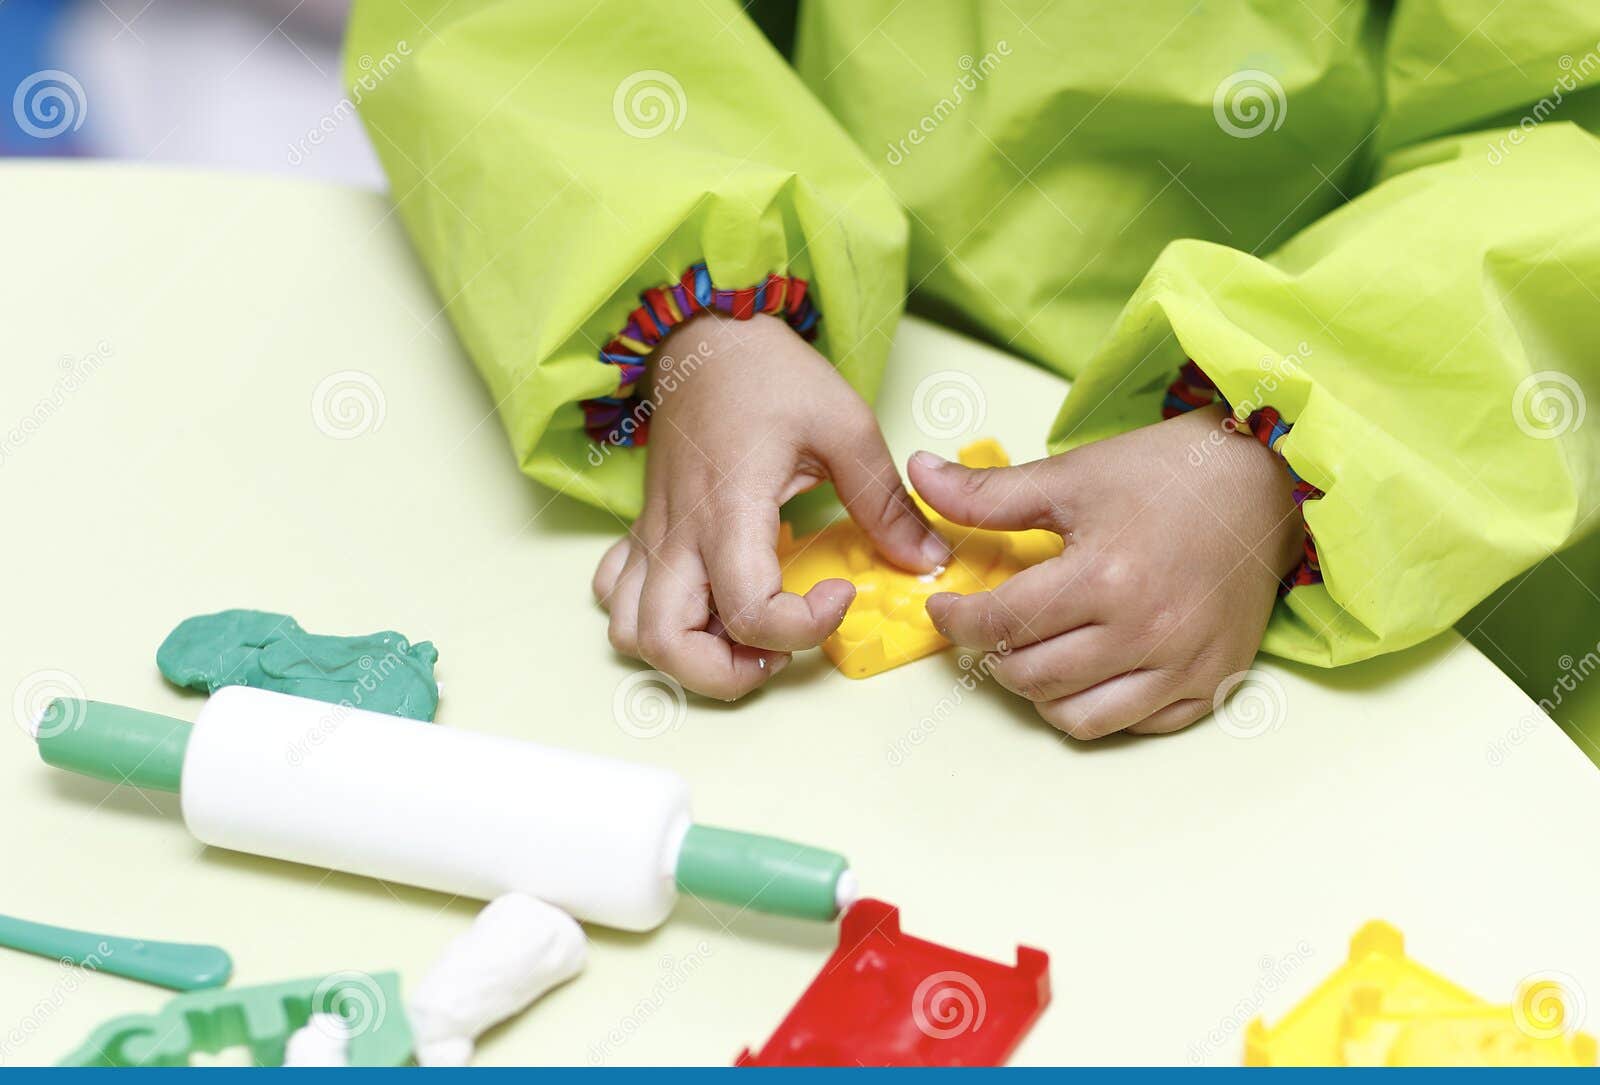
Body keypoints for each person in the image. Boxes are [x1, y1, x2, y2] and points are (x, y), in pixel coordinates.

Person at [348, 0, 1600, 745]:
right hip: (809, 372)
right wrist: (700, 309)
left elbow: (1563, 141)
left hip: (1421, 542)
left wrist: (1285, 449)